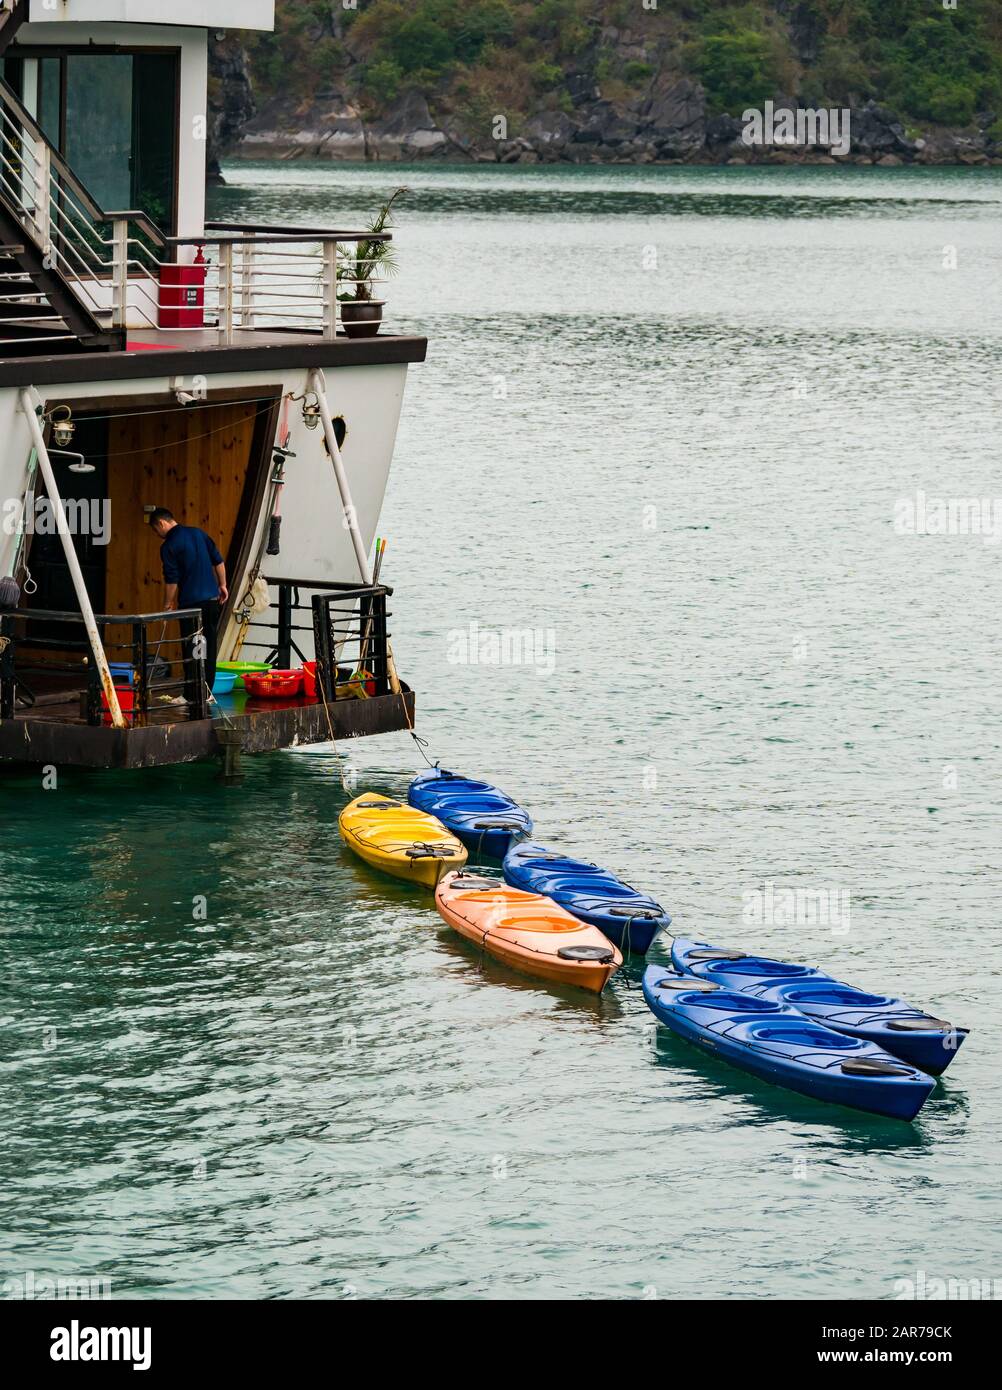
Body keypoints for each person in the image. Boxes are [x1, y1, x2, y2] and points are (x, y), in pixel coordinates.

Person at [150, 508, 228, 693]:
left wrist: (167, 604)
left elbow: (172, 580)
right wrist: (223, 585)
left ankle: (193, 694)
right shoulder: (198, 533)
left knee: (193, 648)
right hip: (211, 601)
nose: (158, 534)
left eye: (156, 530)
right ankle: (207, 692)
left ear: (161, 523)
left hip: (192, 606)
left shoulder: (169, 545)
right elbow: (218, 561)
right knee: (208, 647)